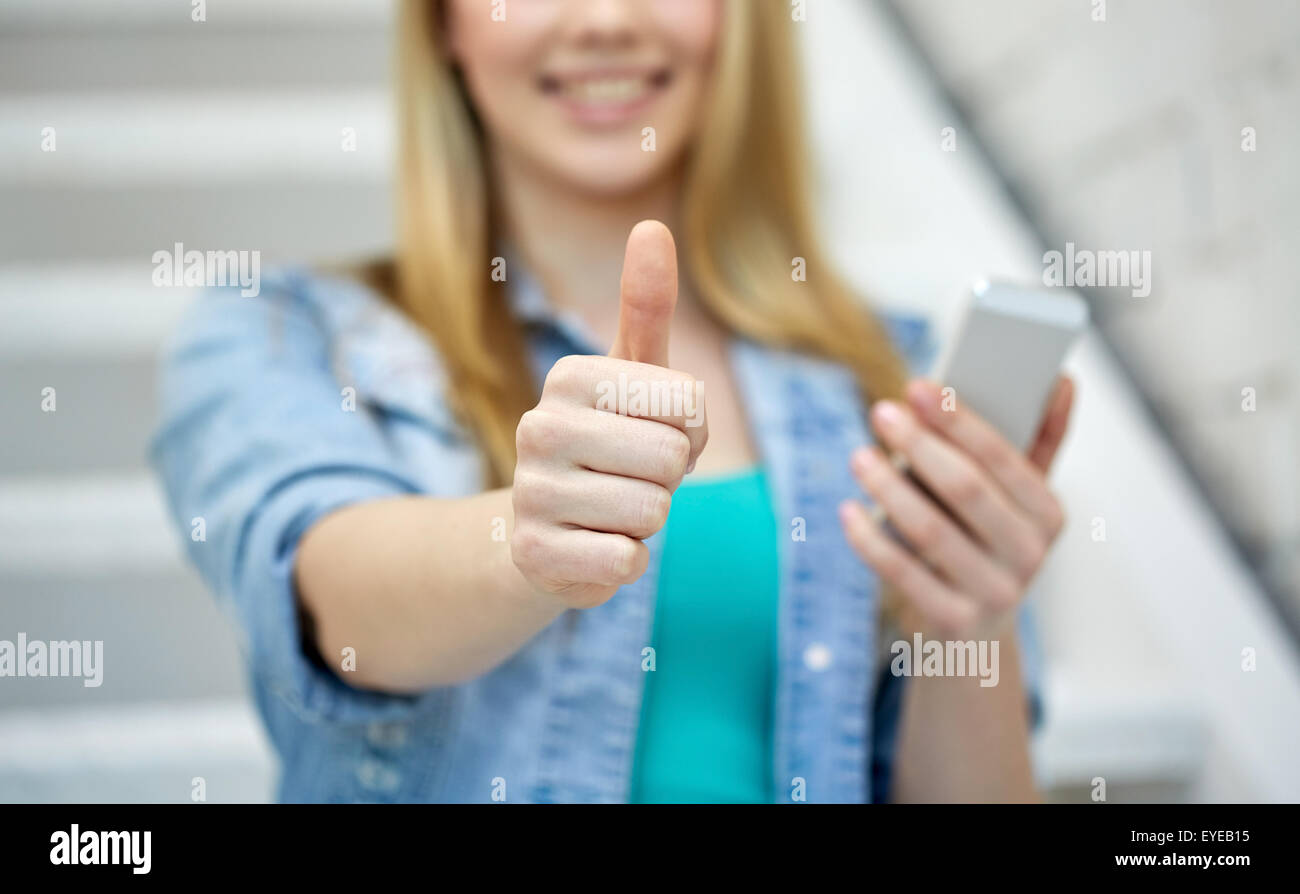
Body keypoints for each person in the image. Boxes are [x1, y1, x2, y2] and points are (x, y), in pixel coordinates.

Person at [152, 0, 1074, 803]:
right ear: (443, 21)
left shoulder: (883, 380)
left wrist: (973, 620)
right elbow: (333, 601)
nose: (602, 18)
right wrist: (526, 546)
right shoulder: (284, 337)